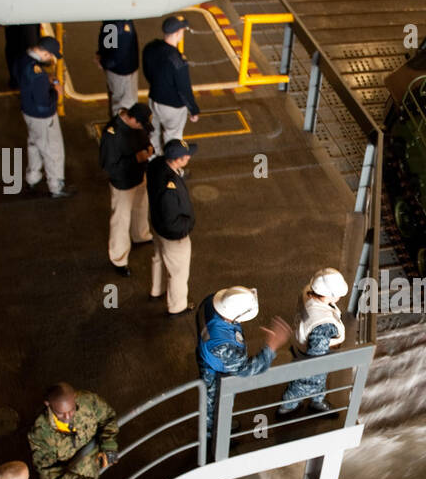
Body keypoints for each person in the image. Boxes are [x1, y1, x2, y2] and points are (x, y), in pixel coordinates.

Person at [196, 286, 291, 431]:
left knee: (216, 403)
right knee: (215, 404)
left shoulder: (211, 302)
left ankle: (218, 423)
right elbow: (247, 369)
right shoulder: (224, 345)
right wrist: (271, 346)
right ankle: (213, 434)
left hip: (208, 357)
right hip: (216, 374)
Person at [27, 383, 119, 479]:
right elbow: (48, 470)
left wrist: (108, 442)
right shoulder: (40, 432)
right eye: (61, 413)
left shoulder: (89, 402)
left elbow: (108, 417)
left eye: (71, 410)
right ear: (48, 404)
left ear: (75, 398)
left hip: (90, 469)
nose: (68, 417)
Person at [279, 268, 349, 419]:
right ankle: (287, 408)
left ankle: (317, 400)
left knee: (315, 380)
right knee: (305, 383)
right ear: (329, 294)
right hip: (311, 357)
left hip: (299, 343)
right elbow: (316, 358)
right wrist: (314, 374)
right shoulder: (323, 323)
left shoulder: (308, 292)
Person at [99, 102, 154, 277]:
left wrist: (148, 147)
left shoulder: (136, 126)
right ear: (131, 118)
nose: (142, 128)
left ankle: (141, 235)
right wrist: (137, 158)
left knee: (141, 207)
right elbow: (109, 166)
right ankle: (119, 258)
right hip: (123, 183)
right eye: (141, 124)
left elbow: (144, 136)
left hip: (138, 176)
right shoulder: (112, 135)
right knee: (120, 221)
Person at [146, 139, 196, 315]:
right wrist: (186, 227)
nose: (189, 157)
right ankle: (177, 306)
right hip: (173, 235)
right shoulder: (170, 186)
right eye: (185, 156)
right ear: (177, 160)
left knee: (159, 257)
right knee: (178, 273)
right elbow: (171, 218)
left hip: (157, 226)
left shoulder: (157, 165)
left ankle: (156, 290)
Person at [16, 35, 69, 197]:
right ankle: (56, 186)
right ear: (45, 53)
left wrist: (48, 80)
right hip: (43, 118)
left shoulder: (23, 59)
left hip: (28, 111)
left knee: (34, 144)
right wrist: (56, 92)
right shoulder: (38, 74)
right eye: (51, 56)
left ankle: (32, 177)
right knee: (52, 150)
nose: (51, 59)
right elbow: (43, 103)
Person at [142, 15, 199, 155]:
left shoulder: (151, 47)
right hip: (173, 107)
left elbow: (147, 71)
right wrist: (194, 109)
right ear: (178, 33)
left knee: (153, 133)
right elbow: (184, 89)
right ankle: (170, 169)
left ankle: (153, 161)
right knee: (173, 137)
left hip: (153, 99)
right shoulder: (178, 61)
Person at [96, 19, 140, 117]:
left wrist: (102, 58)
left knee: (116, 98)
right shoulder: (122, 28)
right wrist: (104, 62)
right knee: (126, 104)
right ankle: (119, 128)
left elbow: (108, 46)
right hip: (123, 73)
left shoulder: (112, 22)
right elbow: (117, 56)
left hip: (115, 71)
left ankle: (115, 124)